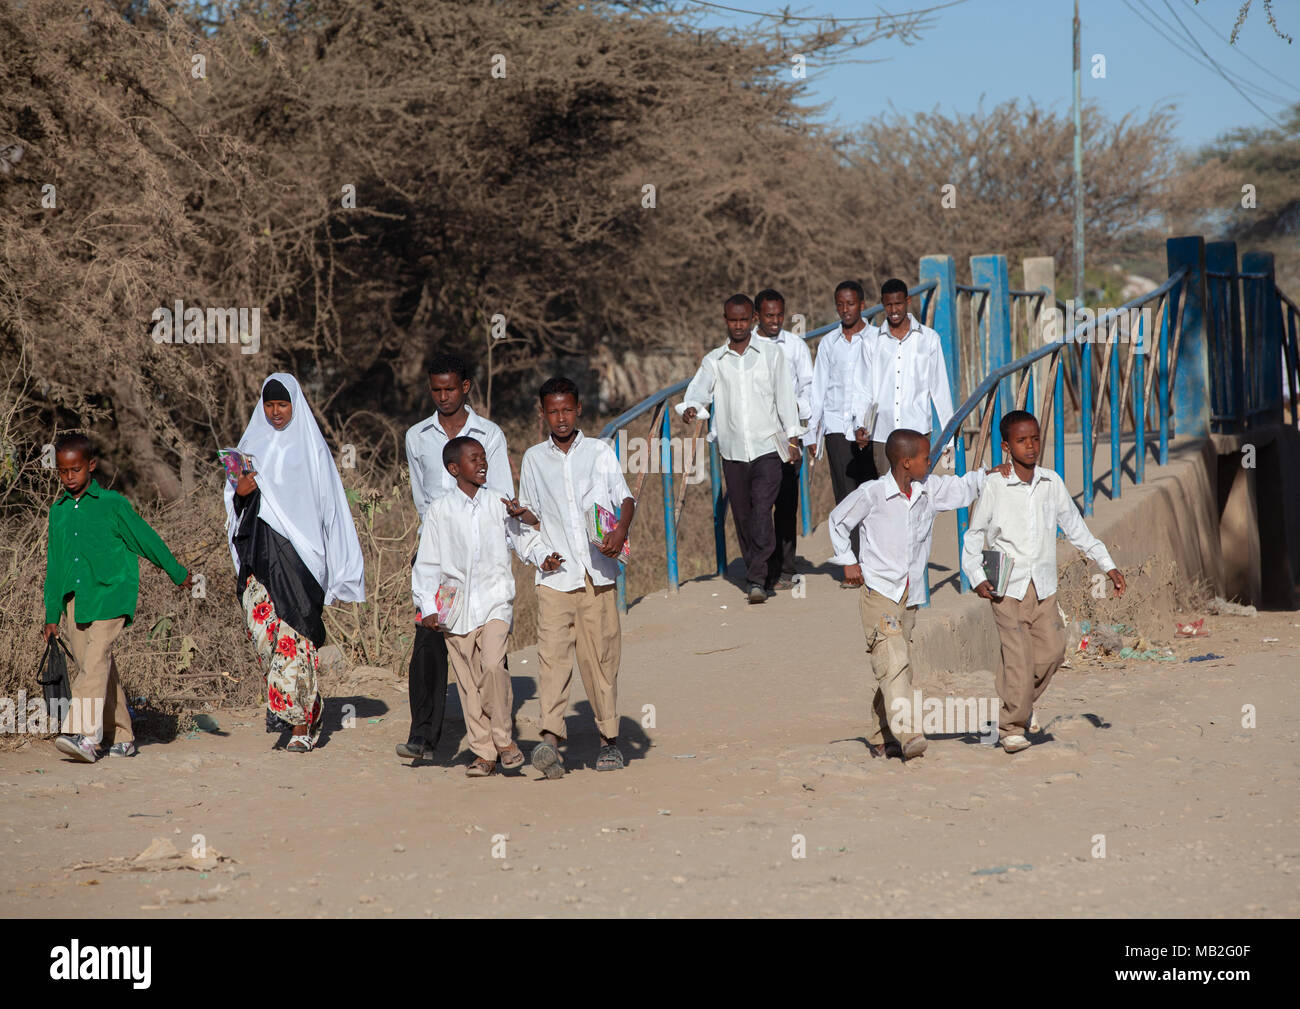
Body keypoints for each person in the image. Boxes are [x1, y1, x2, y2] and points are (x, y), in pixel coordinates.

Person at [829, 428, 1010, 761]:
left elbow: (961, 488)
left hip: (910, 594)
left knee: (898, 665)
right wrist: (848, 562)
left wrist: (988, 476)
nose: (932, 462)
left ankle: (880, 733)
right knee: (893, 659)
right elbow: (837, 521)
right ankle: (909, 733)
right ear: (906, 462)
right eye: (927, 458)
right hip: (880, 592)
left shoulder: (929, 490)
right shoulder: (872, 494)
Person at [960, 410, 1126, 753]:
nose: (1030, 446)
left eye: (1035, 438)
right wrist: (976, 577)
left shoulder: (1052, 483)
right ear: (1006, 446)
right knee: (1018, 658)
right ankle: (1011, 728)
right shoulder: (996, 485)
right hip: (1004, 586)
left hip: (1044, 587)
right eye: (1021, 441)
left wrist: (1107, 565)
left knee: (1052, 652)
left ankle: (1019, 703)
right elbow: (973, 537)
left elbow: (1076, 528)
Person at [225, 374, 365, 753]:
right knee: (266, 641)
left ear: (295, 405)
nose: (275, 412)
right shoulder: (249, 446)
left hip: (301, 561)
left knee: (294, 643)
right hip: (257, 557)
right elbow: (231, 503)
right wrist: (240, 493)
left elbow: (331, 508)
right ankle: (311, 705)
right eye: (269, 405)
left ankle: (301, 726)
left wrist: (341, 566)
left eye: (282, 405)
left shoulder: (312, 449)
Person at [412, 436, 556, 777]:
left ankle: (504, 740)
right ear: (453, 468)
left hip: (494, 602)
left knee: (492, 666)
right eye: (473, 459)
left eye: (484, 458)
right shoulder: (439, 511)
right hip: (455, 609)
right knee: (468, 683)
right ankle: (483, 753)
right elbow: (428, 564)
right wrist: (427, 606)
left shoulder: (497, 503)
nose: (482, 464)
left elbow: (522, 538)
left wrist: (542, 557)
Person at [43, 433, 192, 762]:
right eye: (63, 471)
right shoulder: (58, 511)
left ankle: (85, 735)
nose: (69, 477)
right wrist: (51, 615)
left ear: (91, 466)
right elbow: (54, 564)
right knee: (93, 667)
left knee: (94, 663)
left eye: (76, 470)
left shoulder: (113, 505)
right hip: (76, 600)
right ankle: (122, 735)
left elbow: (145, 538)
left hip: (111, 595)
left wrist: (177, 571)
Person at [517, 377, 635, 776]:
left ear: (579, 408)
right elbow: (531, 516)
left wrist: (619, 532)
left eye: (567, 409)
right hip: (555, 578)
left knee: (601, 659)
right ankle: (550, 738)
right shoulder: (533, 459)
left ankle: (609, 740)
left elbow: (625, 498)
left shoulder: (600, 452)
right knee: (551, 658)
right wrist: (526, 526)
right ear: (543, 413)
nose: (561, 418)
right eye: (553, 411)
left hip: (596, 575)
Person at [400, 352, 513, 761]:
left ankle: (497, 735)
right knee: (430, 636)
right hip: (437, 550)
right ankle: (423, 737)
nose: (443, 396)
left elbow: (500, 494)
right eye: (436, 389)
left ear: (465, 387)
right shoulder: (417, 437)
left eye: (450, 388)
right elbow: (421, 498)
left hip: (482, 554)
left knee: (487, 642)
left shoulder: (490, 434)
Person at [678, 294, 802, 603]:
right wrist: (692, 408)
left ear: (753, 320)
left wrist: (793, 439)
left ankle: (757, 578)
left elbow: (785, 398)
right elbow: (698, 391)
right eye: (732, 320)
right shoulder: (715, 360)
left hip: (768, 446)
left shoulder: (771, 355)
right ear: (725, 321)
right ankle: (760, 569)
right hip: (732, 449)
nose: (738, 325)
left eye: (743, 320)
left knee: (762, 507)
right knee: (744, 516)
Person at [853, 277, 955, 476]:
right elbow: (862, 388)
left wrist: (948, 439)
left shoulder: (929, 339)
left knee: (918, 493)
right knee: (888, 495)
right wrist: (860, 424)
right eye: (888, 305)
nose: (894, 310)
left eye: (898, 303)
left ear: (907, 301)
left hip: (917, 430)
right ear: (882, 304)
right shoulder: (871, 342)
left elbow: (940, 389)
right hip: (883, 433)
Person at [808, 280, 875, 570]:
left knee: (871, 491)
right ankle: (851, 561)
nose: (845, 310)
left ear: (862, 304)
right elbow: (818, 389)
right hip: (836, 427)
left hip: (869, 429)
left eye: (851, 304)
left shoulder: (876, 340)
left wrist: (869, 424)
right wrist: (812, 431)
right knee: (845, 495)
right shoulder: (828, 344)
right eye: (840, 304)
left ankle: (873, 559)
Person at [753, 288, 814, 591]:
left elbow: (808, 387)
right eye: (769, 316)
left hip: (788, 436)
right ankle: (763, 568)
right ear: (756, 316)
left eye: (779, 315)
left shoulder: (795, 345)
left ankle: (786, 568)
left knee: (786, 503)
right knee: (759, 505)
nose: (775, 321)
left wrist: (800, 420)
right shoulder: (745, 347)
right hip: (755, 437)